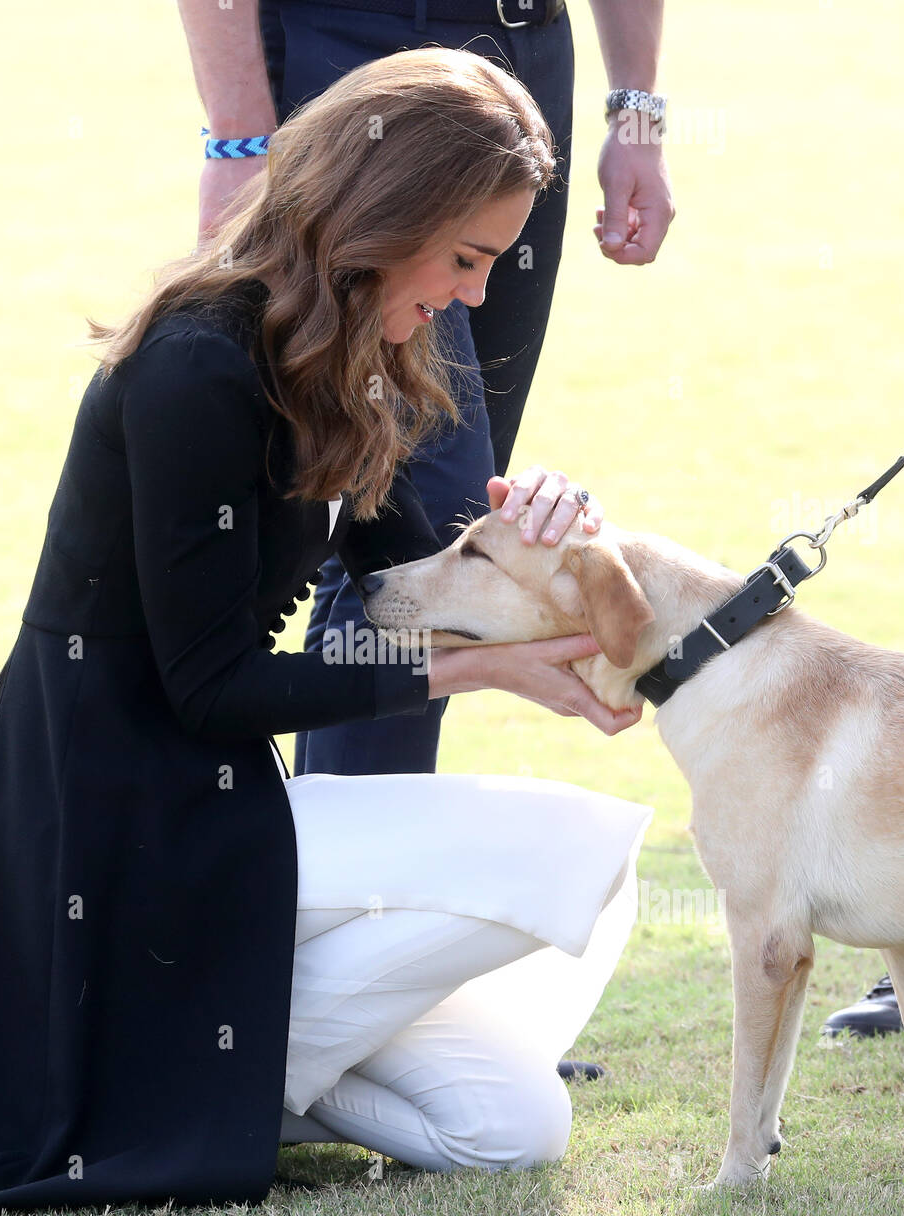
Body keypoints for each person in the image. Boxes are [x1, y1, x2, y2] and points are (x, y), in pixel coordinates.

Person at [0, 48, 650, 1214]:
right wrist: (487, 672)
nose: (475, 294)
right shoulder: (198, 363)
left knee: (509, 1126)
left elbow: (400, 578)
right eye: (466, 257)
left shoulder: (360, 351)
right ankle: (150, 1067)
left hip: (220, 805)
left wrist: (542, 528)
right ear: (385, 211)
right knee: (580, 845)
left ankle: (164, 1077)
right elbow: (210, 689)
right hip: (117, 819)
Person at [181, 0, 674, 778]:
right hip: (348, 46)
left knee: (421, 536)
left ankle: (349, 858)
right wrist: (239, 136)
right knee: (435, 526)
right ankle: (358, 876)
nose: (469, 291)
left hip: (527, 60)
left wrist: (637, 111)